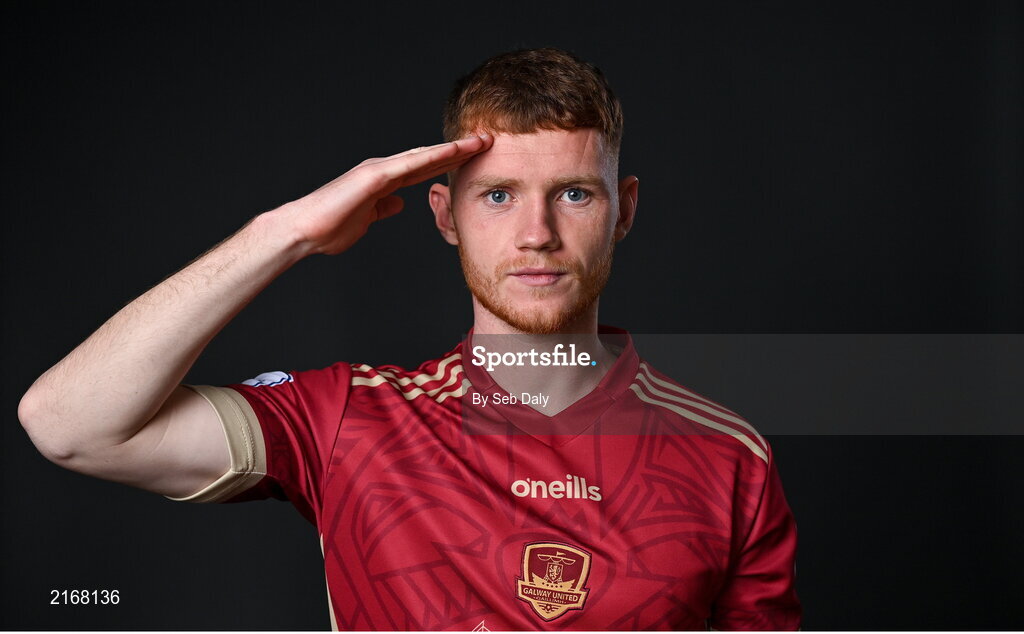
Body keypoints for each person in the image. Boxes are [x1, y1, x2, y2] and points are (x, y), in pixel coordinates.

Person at [18, 48, 801, 630]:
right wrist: (283, 233)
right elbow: (69, 424)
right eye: (497, 195)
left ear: (623, 211)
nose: (537, 234)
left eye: (573, 193)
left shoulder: (728, 456)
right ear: (444, 216)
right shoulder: (348, 421)